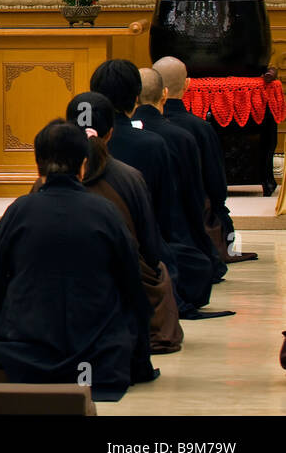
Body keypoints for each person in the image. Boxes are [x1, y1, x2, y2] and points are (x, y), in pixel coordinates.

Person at [0, 120, 156, 401]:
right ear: (83, 165)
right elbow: (132, 284)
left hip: (24, 355)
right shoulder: (105, 212)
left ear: (38, 165)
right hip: (98, 358)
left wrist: (7, 306)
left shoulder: (20, 210)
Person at [89, 60, 226, 318]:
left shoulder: (77, 145)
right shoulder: (152, 144)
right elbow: (169, 213)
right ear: (136, 97)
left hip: (85, 252)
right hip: (142, 250)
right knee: (195, 264)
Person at [67, 92, 183, 354]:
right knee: (163, 269)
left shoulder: (43, 184)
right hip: (117, 301)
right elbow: (151, 250)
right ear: (110, 133)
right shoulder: (130, 178)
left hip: (55, 307)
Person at [153, 56, 256, 264]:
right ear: (188, 83)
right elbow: (216, 184)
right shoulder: (200, 128)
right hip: (195, 220)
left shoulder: (139, 127)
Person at [133, 68, 226, 286]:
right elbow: (212, 190)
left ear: (135, 96)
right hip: (178, 233)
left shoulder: (116, 135)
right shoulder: (187, 135)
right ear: (163, 94)